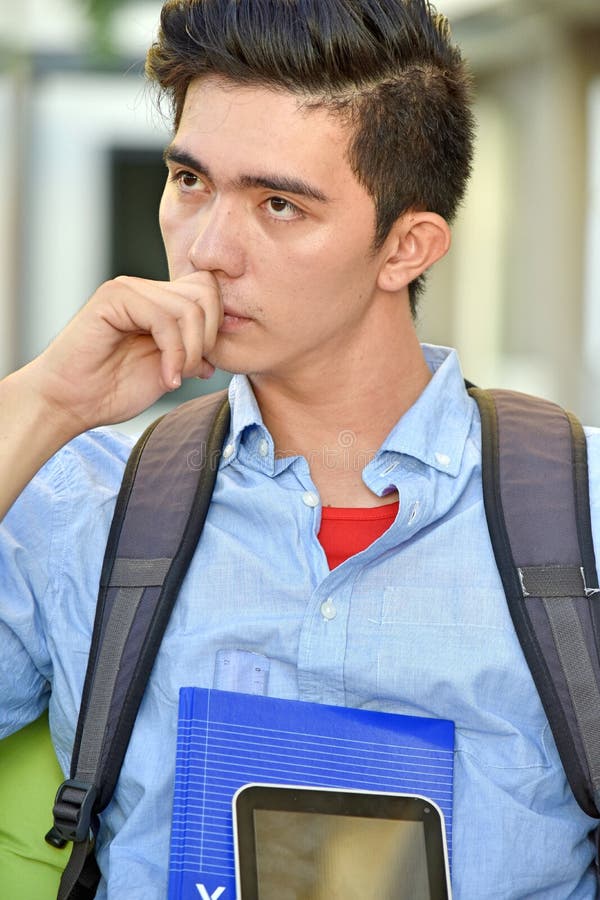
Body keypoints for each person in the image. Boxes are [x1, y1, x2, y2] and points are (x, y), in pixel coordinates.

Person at [0, 0, 598, 896]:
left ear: (406, 246)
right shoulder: (86, 498)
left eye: (278, 205)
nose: (206, 250)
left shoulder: (582, 513)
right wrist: (41, 402)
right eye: (191, 181)